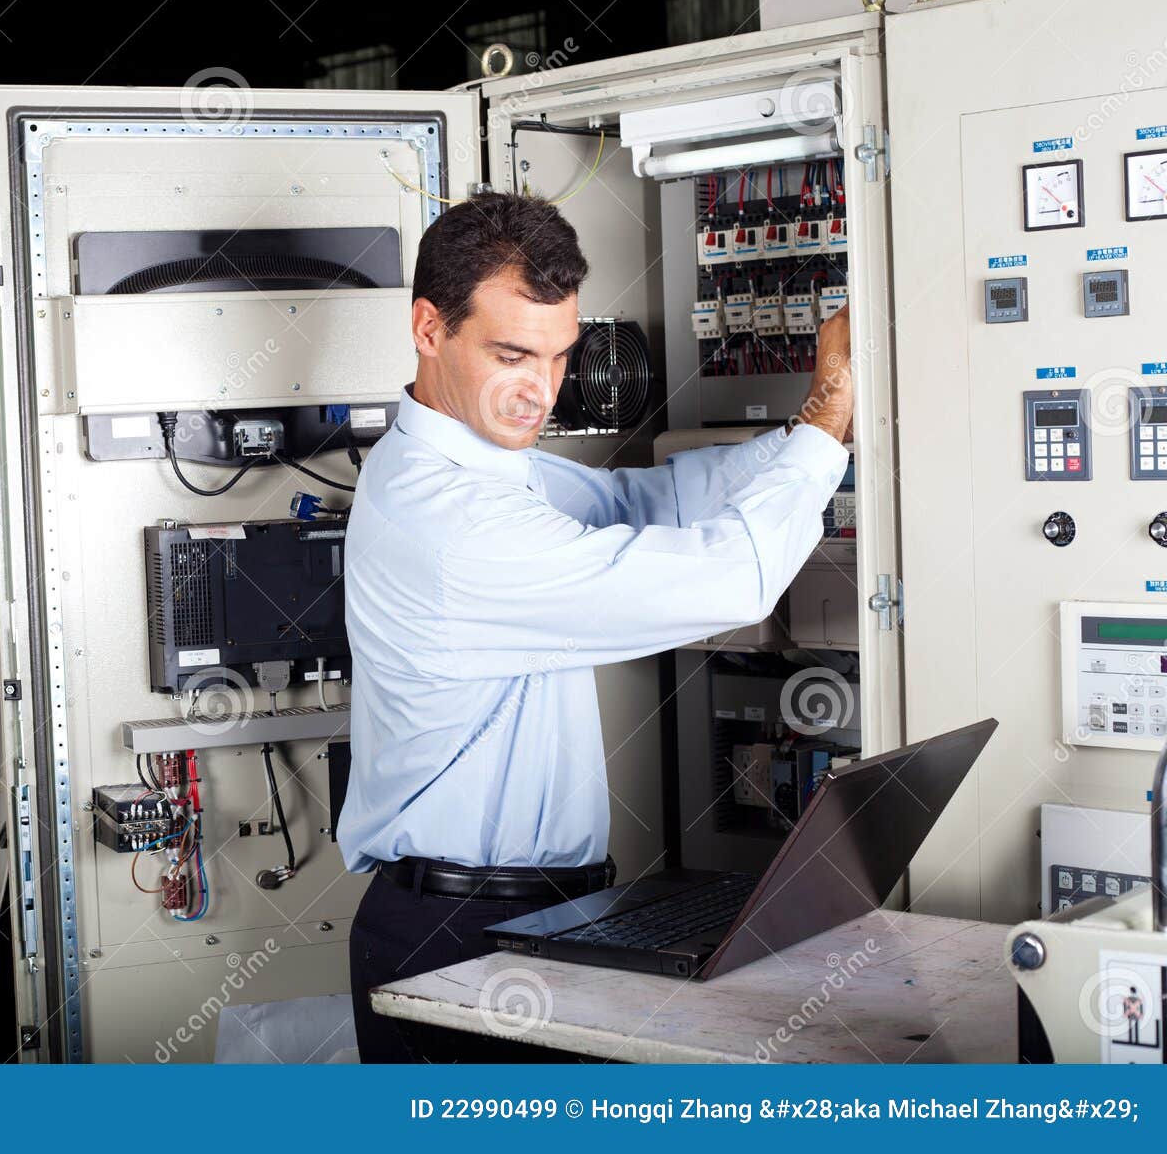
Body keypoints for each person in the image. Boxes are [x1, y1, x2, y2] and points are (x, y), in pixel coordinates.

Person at [337, 192, 855, 1062]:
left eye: (559, 354)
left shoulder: (494, 469)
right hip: (458, 936)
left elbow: (645, 502)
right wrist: (830, 413)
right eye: (512, 354)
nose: (541, 389)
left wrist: (812, 431)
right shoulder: (450, 521)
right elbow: (734, 581)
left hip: (534, 917)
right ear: (429, 328)